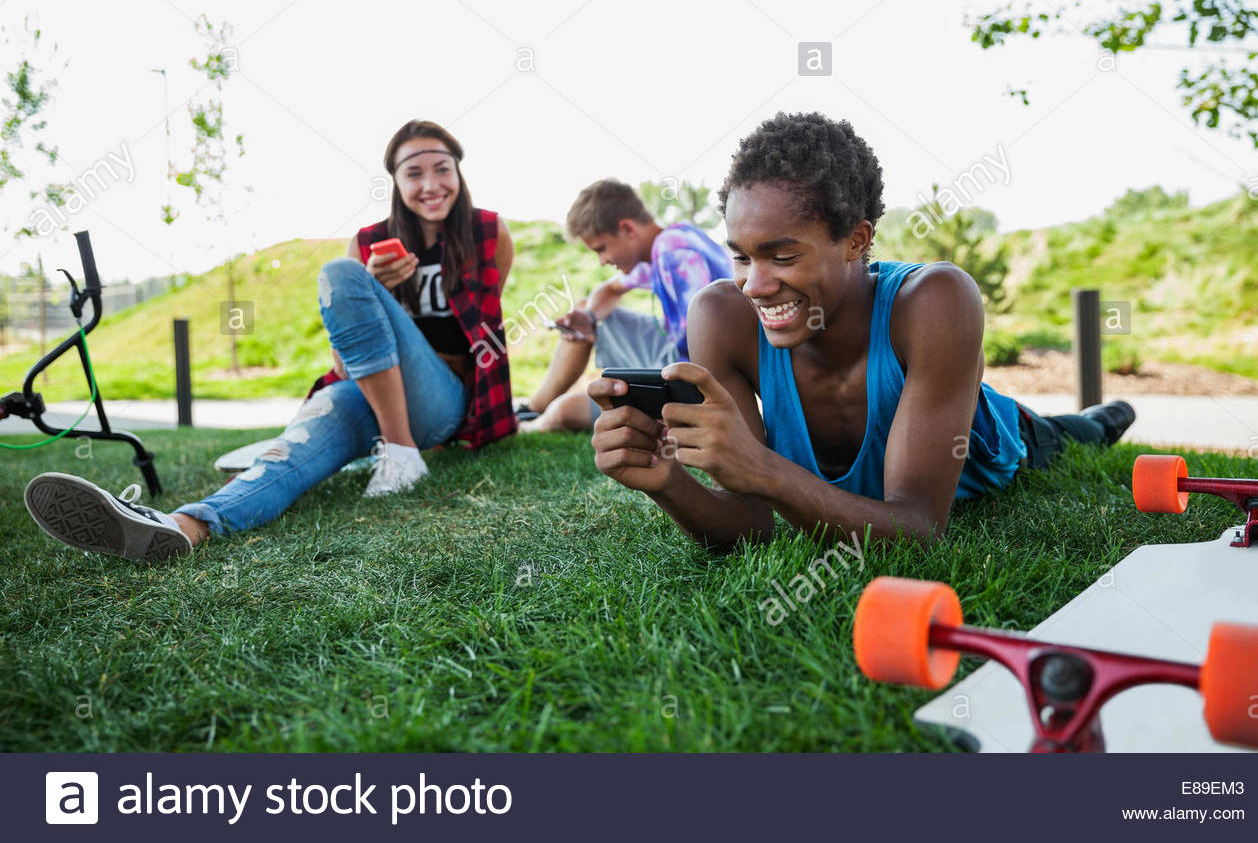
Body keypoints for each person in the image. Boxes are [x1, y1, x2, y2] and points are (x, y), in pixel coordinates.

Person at [588, 112, 1135, 552]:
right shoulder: (721, 317)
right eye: (741, 257)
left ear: (856, 239)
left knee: (1069, 436)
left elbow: (918, 529)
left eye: (781, 255)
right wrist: (669, 484)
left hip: (1006, 436)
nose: (754, 285)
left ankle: (1094, 421)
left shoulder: (935, 300)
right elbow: (751, 527)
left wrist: (768, 471)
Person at [23, 119, 517, 562]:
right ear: (395, 181)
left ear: (459, 173)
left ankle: (403, 452)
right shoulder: (368, 242)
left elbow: (485, 339)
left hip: (442, 405)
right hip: (368, 396)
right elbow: (346, 368)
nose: (430, 183)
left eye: (442, 168)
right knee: (287, 455)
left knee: (342, 277)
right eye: (414, 172)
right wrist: (373, 289)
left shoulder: (488, 232)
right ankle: (178, 526)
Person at [517, 178, 731, 432]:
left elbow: (703, 341)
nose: (602, 261)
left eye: (602, 249)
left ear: (627, 229)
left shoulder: (672, 253)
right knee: (587, 311)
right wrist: (589, 317)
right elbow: (608, 289)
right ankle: (534, 407)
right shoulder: (670, 240)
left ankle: (531, 422)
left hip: (691, 374)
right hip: (676, 356)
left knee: (565, 410)